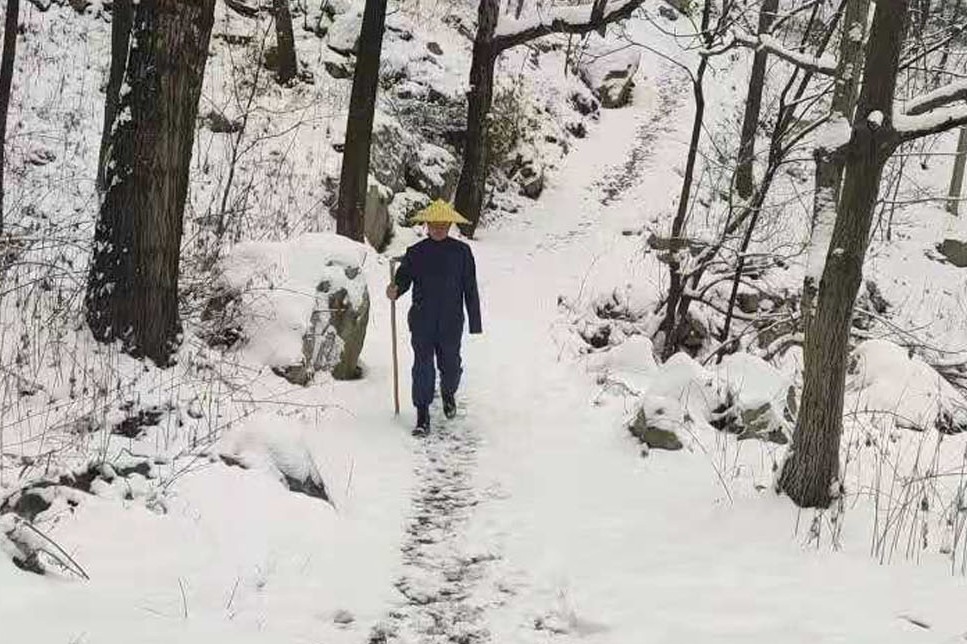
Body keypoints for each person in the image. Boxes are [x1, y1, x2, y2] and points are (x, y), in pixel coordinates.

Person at [386, 200, 482, 435]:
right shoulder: (416, 253)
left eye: (443, 225)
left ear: (449, 225)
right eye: (434, 225)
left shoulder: (462, 253)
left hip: (451, 321)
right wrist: (395, 289)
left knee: (450, 366)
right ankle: (422, 414)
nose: (438, 229)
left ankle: (448, 393)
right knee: (422, 367)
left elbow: (470, 288)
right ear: (427, 225)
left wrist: (475, 322)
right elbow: (403, 279)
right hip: (422, 320)